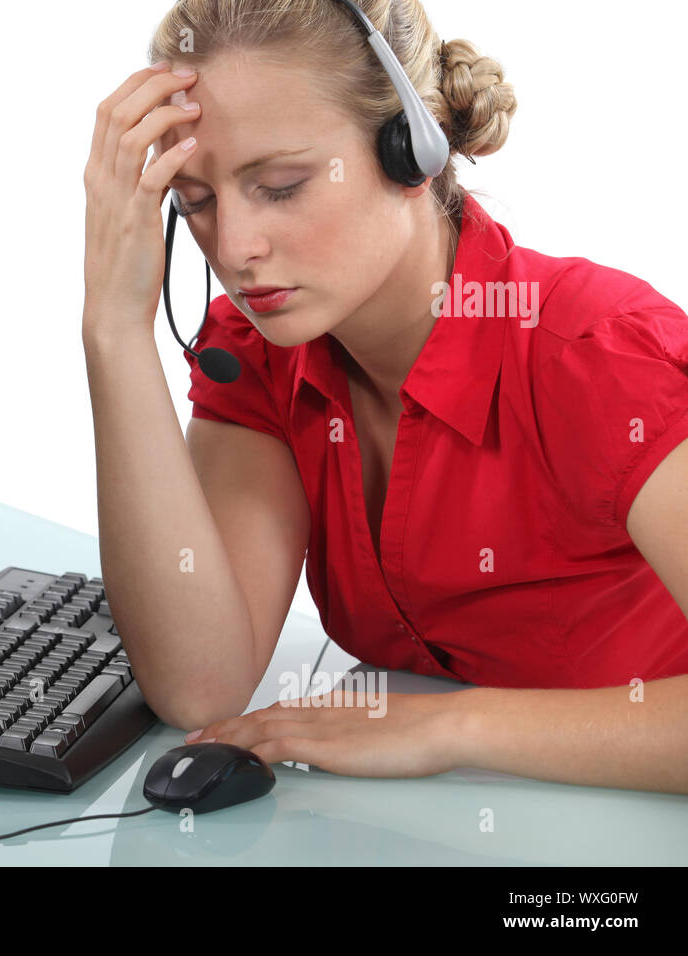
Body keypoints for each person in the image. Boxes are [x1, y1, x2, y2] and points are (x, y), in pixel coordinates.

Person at [81, 0, 688, 793]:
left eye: (279, 186)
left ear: (412, 152)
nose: (234, 249)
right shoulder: (260, 353)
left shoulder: (599, 356)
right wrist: (115, 330)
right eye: (196, 202)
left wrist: (450, 727)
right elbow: (201, 684)